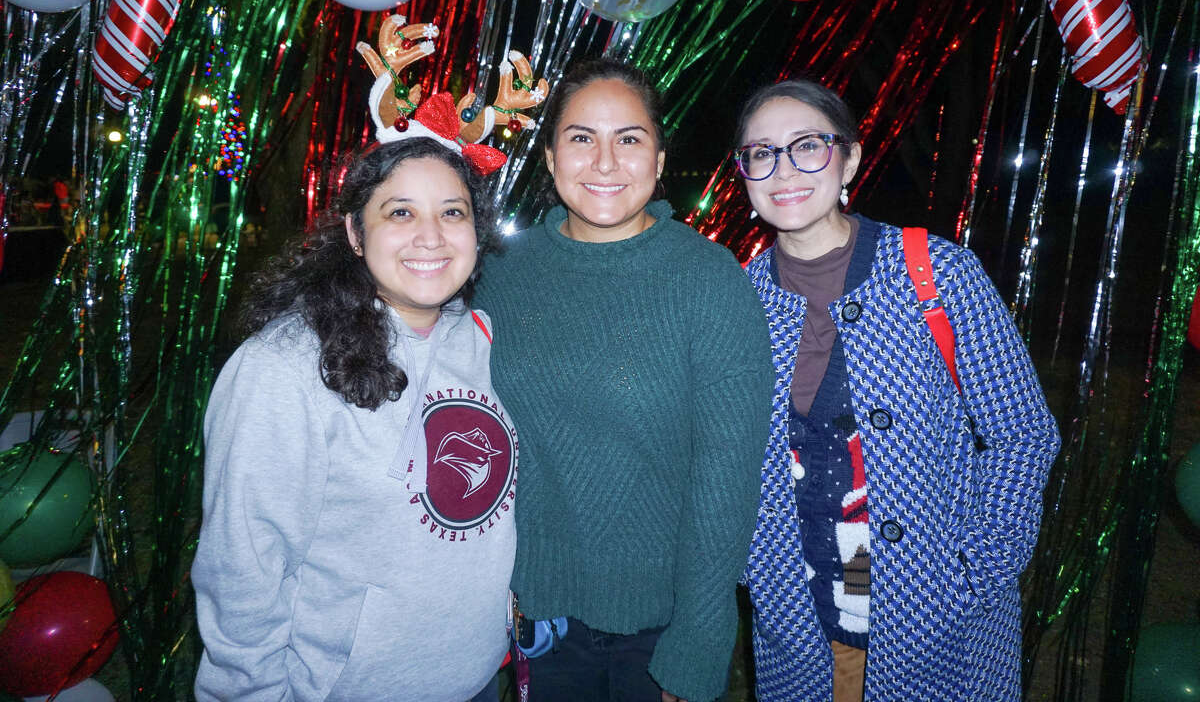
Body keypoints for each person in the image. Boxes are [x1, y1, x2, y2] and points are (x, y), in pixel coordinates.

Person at [734, 79, 1060, 701]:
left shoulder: (937, 272)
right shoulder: (735, 300)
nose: (785, 169)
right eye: (762, 153)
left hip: (939, 625)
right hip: (798, 630)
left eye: (808, 146)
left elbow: (1022, 434)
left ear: (850, 158)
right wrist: (756, 571)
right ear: (746, 174)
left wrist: (974, 571)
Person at [475, 59, 773, 702]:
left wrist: (700, 638)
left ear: (660, 159)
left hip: (663, 624)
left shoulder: (707, 279)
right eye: (581, 138)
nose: (605, 162)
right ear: (551, 159)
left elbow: (727, 477)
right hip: (536, 615)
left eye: (629, 139)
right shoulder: (500, 275)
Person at [192, 136, 517, 702]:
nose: (431, 236)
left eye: (452, 212)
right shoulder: (284, 367)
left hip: (479, 680)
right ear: (354, 233)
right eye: (400, 212)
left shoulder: (483, 339)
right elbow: (242, 571)